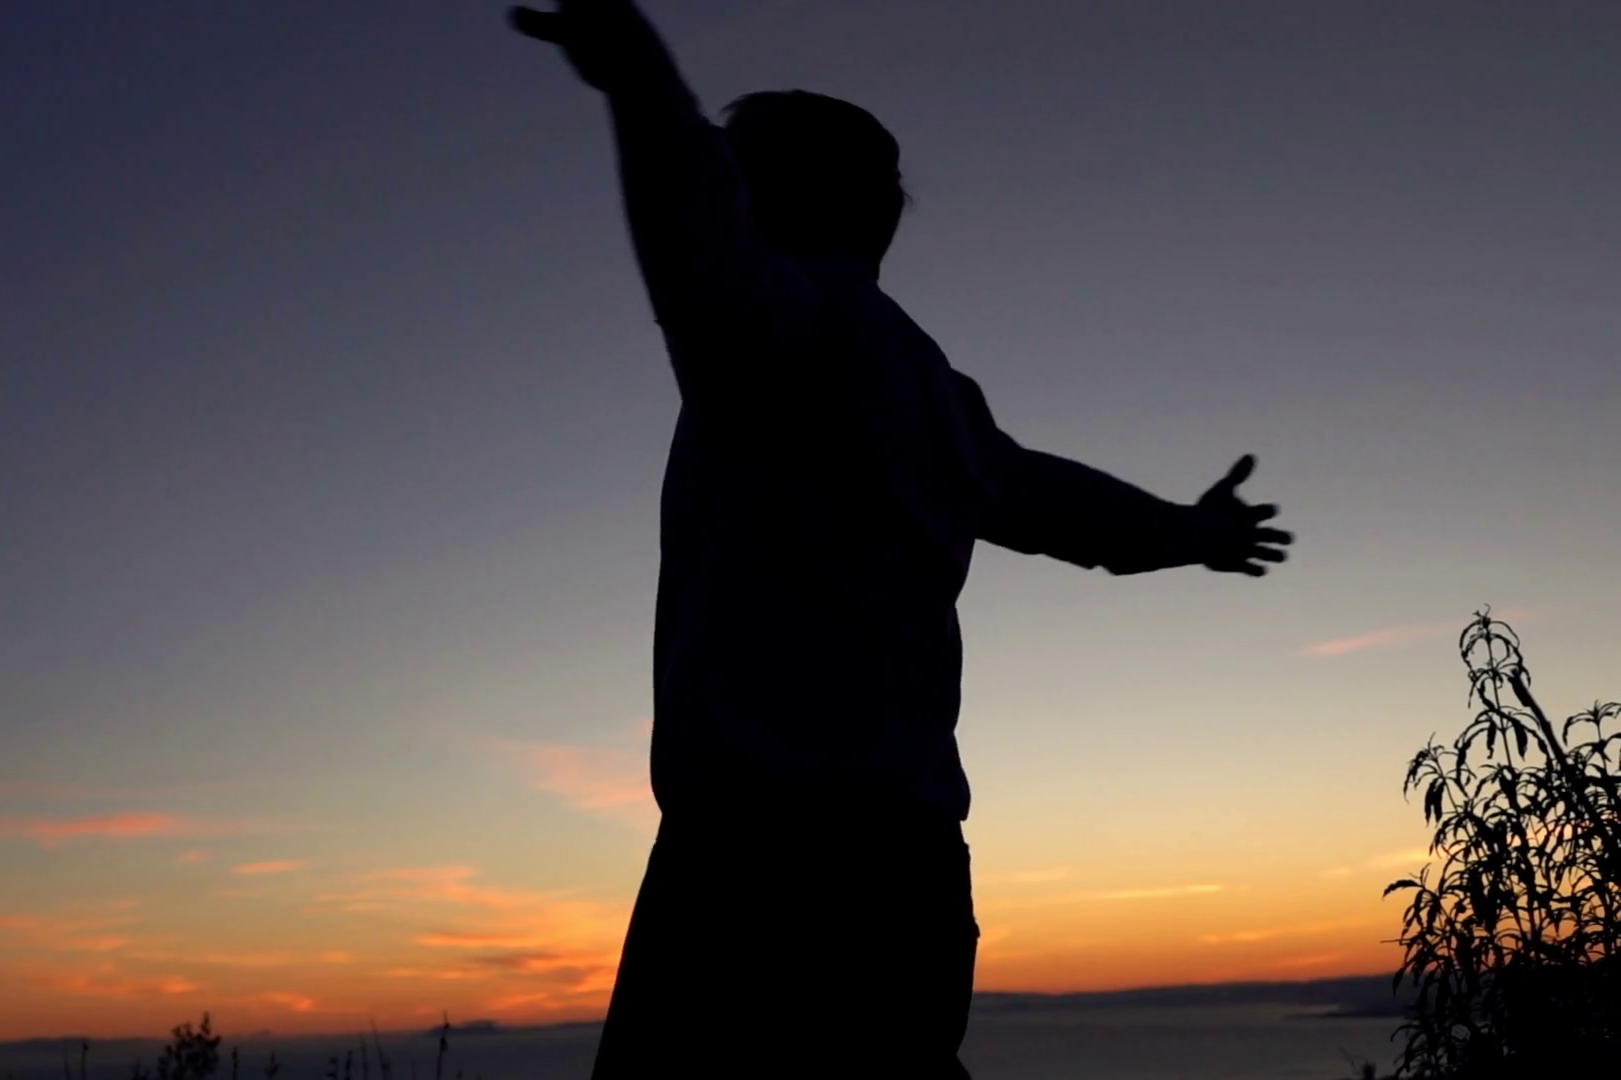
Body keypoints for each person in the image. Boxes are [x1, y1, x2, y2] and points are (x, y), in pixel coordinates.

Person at [510, 3, 1294, 1076]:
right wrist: (1193, 531)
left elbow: (693, 230)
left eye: (741, 174)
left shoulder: (776, 338)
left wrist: (640, 78)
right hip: (909, 876)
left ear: (762, 195)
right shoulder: (926, 385)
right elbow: (1061, 506)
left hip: (756, 880)